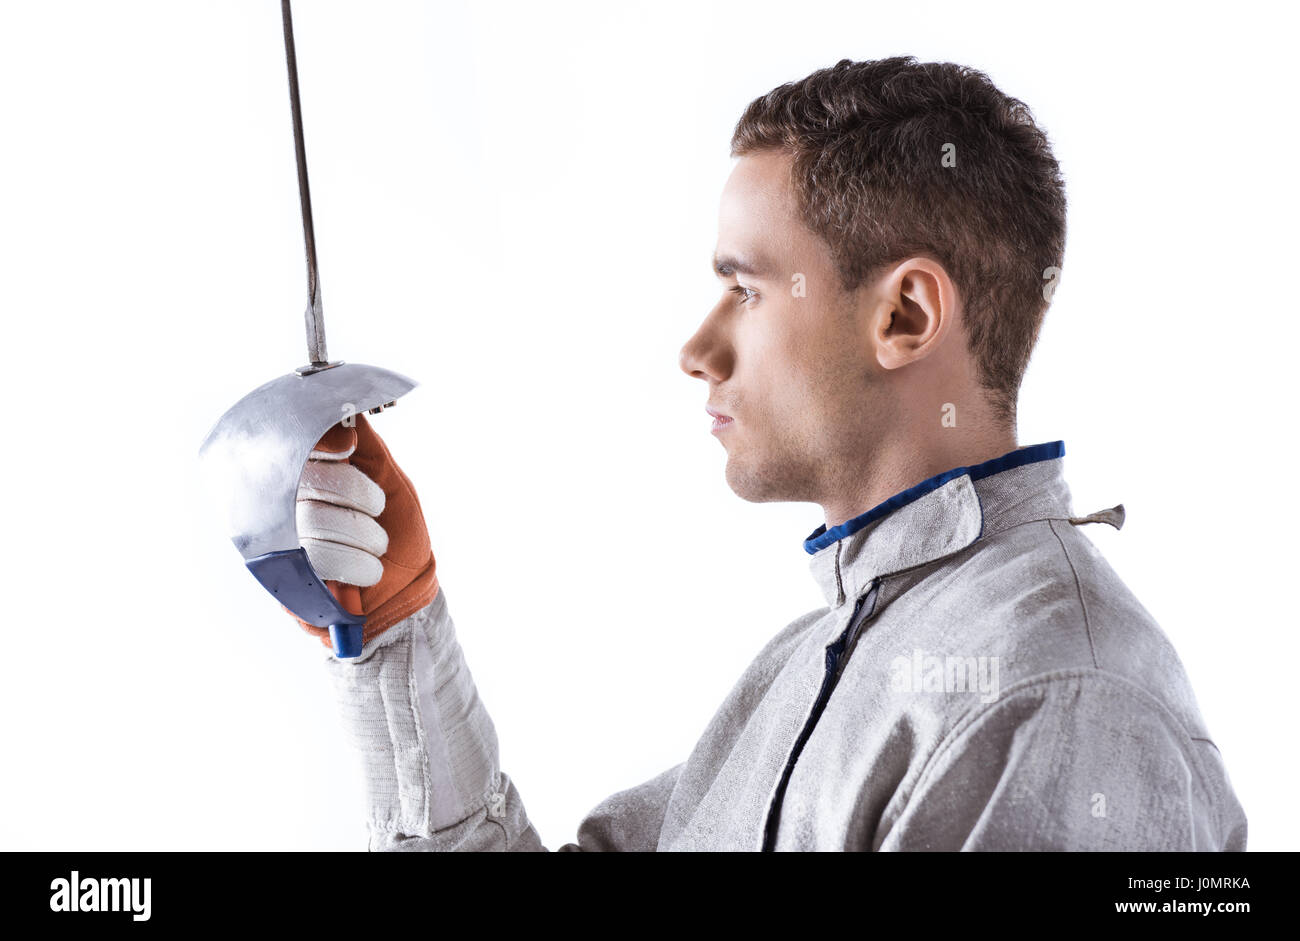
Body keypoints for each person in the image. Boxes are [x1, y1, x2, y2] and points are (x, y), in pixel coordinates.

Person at [288, 57, 1247, 851]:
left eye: (744, 291)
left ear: (904, 314)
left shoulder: (1057, 700)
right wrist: (397, 622)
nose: (697, 351)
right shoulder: (819, 663)